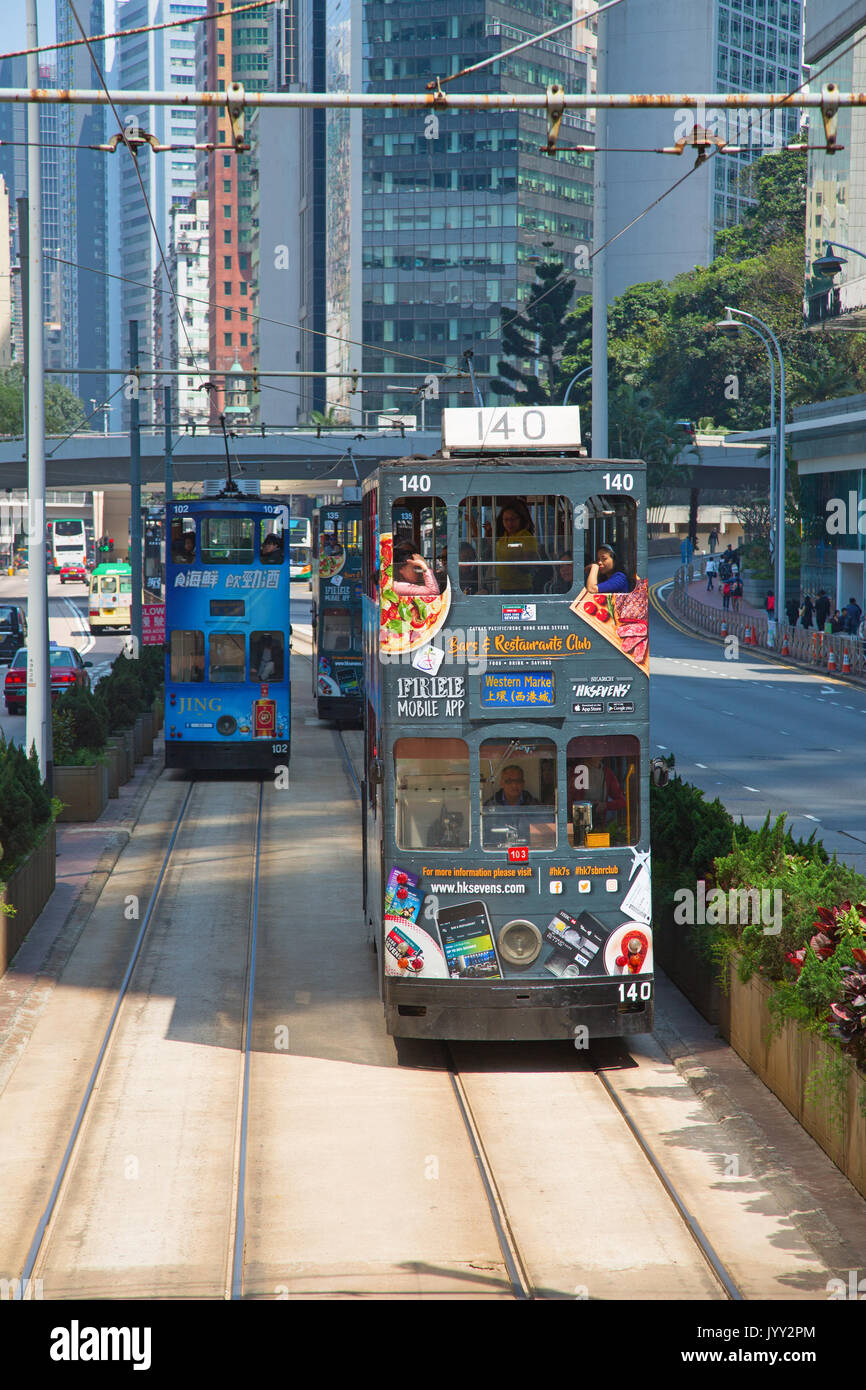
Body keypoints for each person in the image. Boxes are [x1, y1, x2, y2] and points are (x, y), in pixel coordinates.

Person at [482, 765, 554, 848]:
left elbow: (547, 830)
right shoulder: (489, 807)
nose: (514, 785)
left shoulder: (534, 805)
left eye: (518, 781)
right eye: (509, 781)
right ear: (501, 783)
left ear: (523, 783)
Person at [495, 499, 538, 592]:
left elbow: (529, 566)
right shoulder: (503, 537)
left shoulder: (526, 537)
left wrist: (514, 564)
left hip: (521, 588)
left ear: (521, 519)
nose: (509, 523)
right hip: (501, 587)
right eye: (506, 520)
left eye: (513, 519)